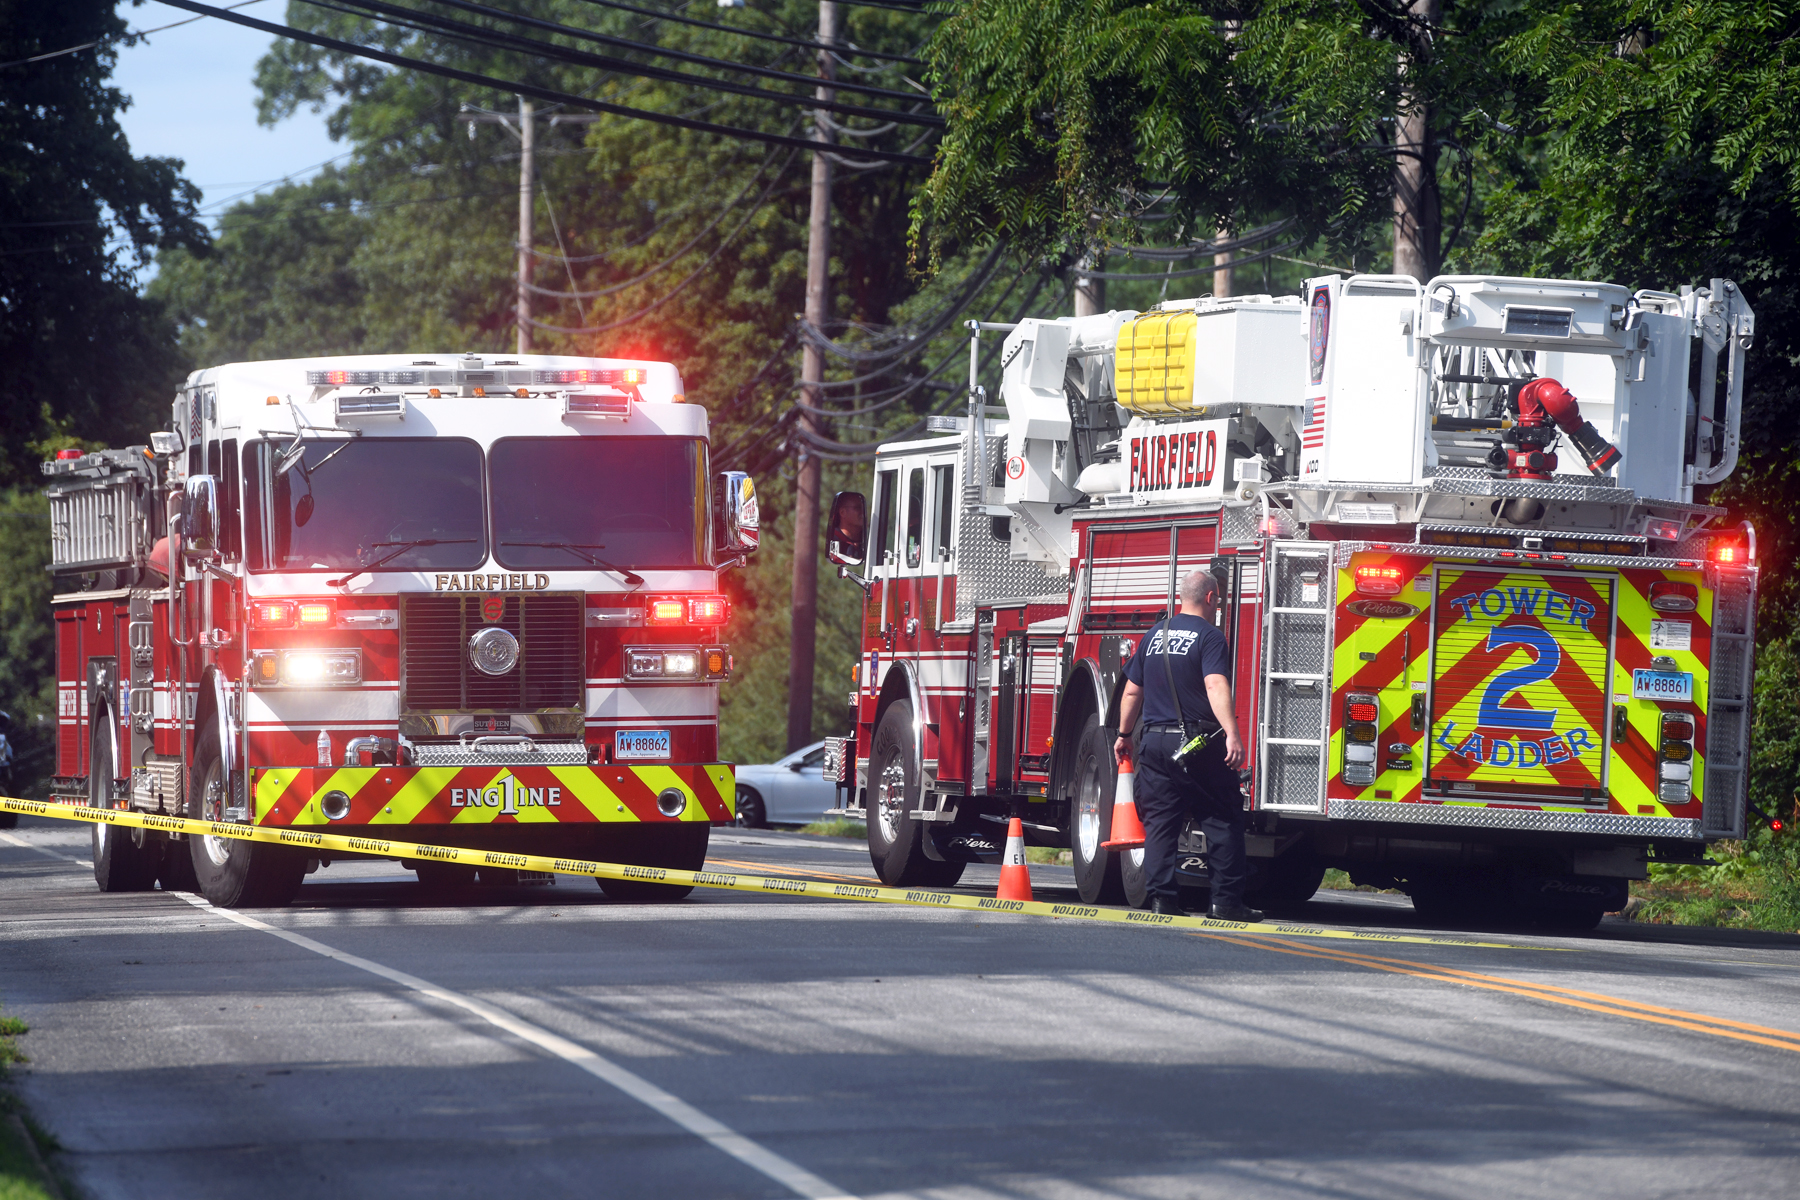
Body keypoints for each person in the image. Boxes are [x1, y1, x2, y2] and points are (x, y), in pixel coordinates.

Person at [1113, 569, 1262, 921]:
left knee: (1161, 823)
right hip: (1196, 745)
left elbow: (1133, 690)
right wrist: (1232, 732)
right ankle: (1225, 902)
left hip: (1154, 743)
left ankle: (1163, 900)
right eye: (1220, 598)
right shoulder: (1210, 637)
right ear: (1211, 598)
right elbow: (1214, 685)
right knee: (1222, 818)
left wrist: (1123, 735)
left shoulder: (1153, 635)